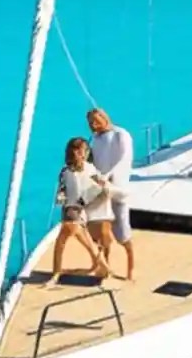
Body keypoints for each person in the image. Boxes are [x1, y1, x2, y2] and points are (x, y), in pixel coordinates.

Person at [50, 137, 111, 284]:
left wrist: (84, 201)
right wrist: (60, 200)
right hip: (68, 208)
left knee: (62, 240)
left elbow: (99, 186)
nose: (80, 153)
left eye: (82, 150)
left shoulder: (89, 168)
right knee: (82, 241)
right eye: (77, 150)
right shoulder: (65, 171)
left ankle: (56, 274)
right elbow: (62, 189)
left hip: (78, 208)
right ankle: (103, 267)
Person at [86, 107, 136, 281]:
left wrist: (107, 176)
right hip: (100, 190)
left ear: (103, 117)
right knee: (102, 231)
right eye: (90, 122)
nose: (93, 125)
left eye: (95, 120)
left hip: (117, 188)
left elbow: (124, 158)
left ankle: (131, 268)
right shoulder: (95, 140)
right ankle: (105, 267)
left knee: (122, 230)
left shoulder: (120, 134)